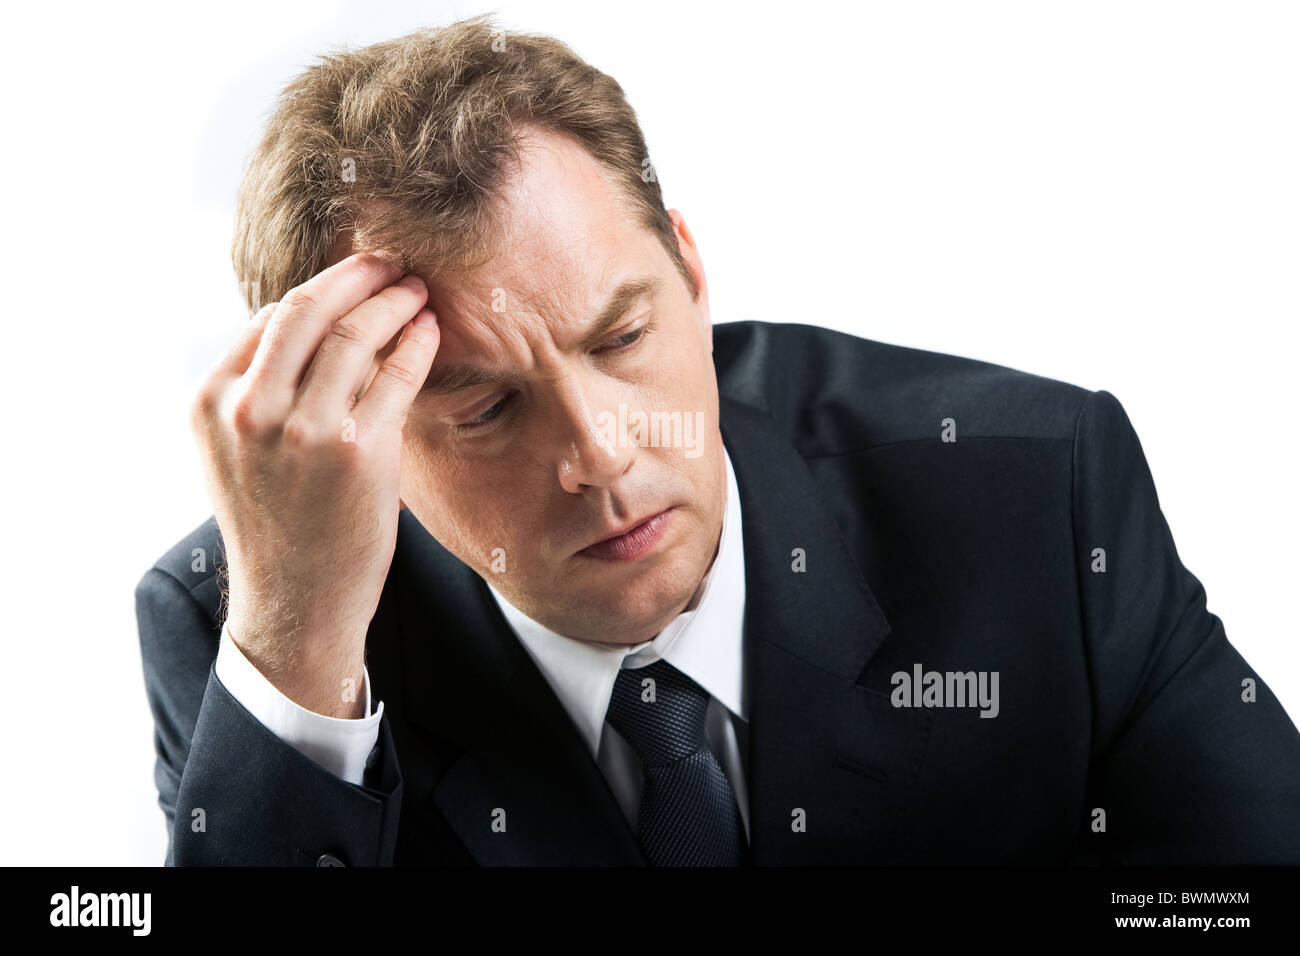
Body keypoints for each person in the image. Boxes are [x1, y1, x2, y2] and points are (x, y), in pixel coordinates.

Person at [136, 14, 1300, 866]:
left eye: (624, 334)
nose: (601, 449)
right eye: (485, 407)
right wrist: (297, 637)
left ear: (691, 273)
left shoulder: (1041, 490)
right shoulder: (253, 621)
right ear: (367, 430)